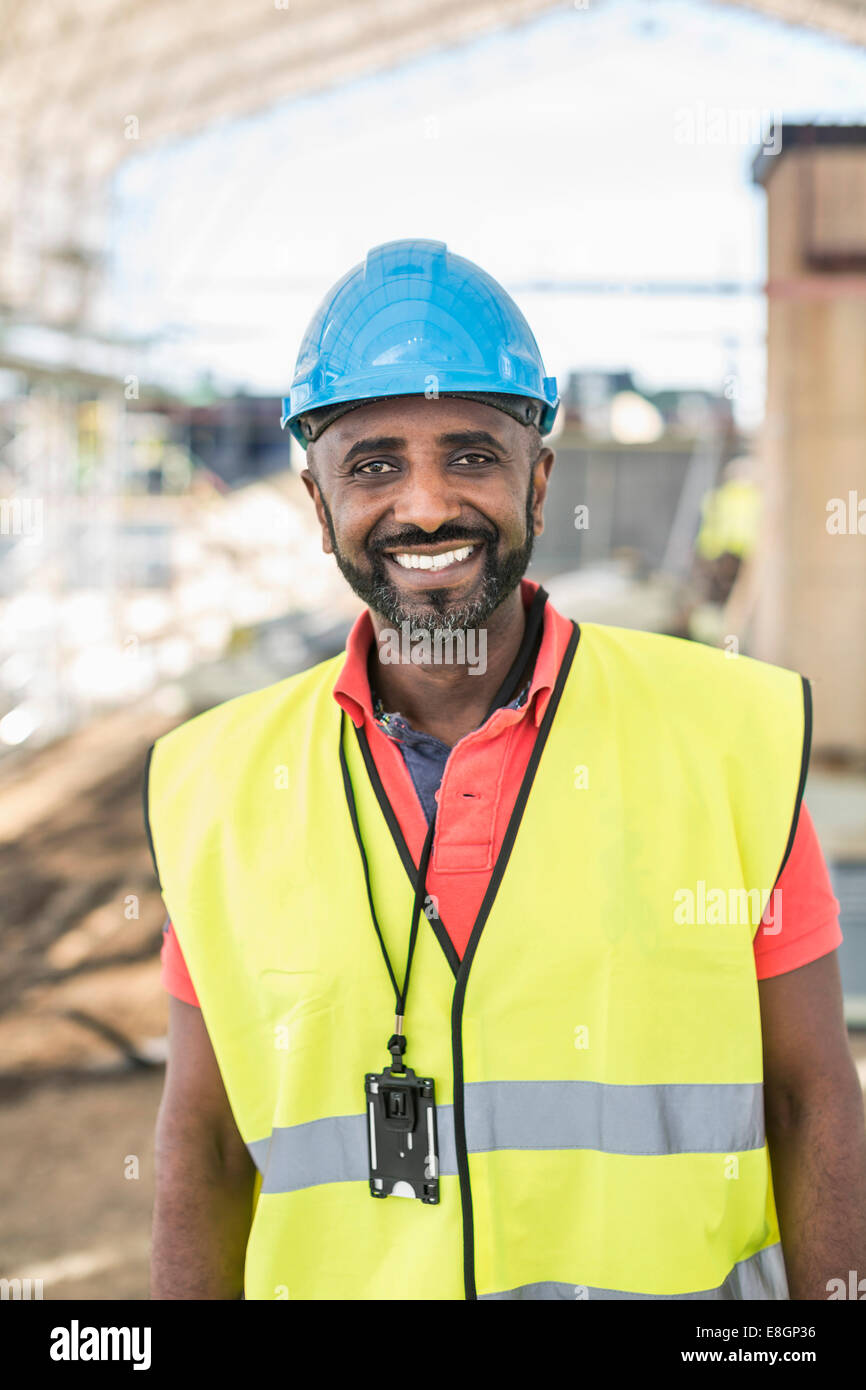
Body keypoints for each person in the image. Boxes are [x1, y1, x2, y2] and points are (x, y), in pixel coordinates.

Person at [146, 238, 865, 1301]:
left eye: (472, 455)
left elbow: (812, 1099)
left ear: (537, 477)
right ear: (316, 501)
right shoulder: (218, 783)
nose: (427, 504)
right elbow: (202, 1146)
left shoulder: (724, 736)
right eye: (374, 463)